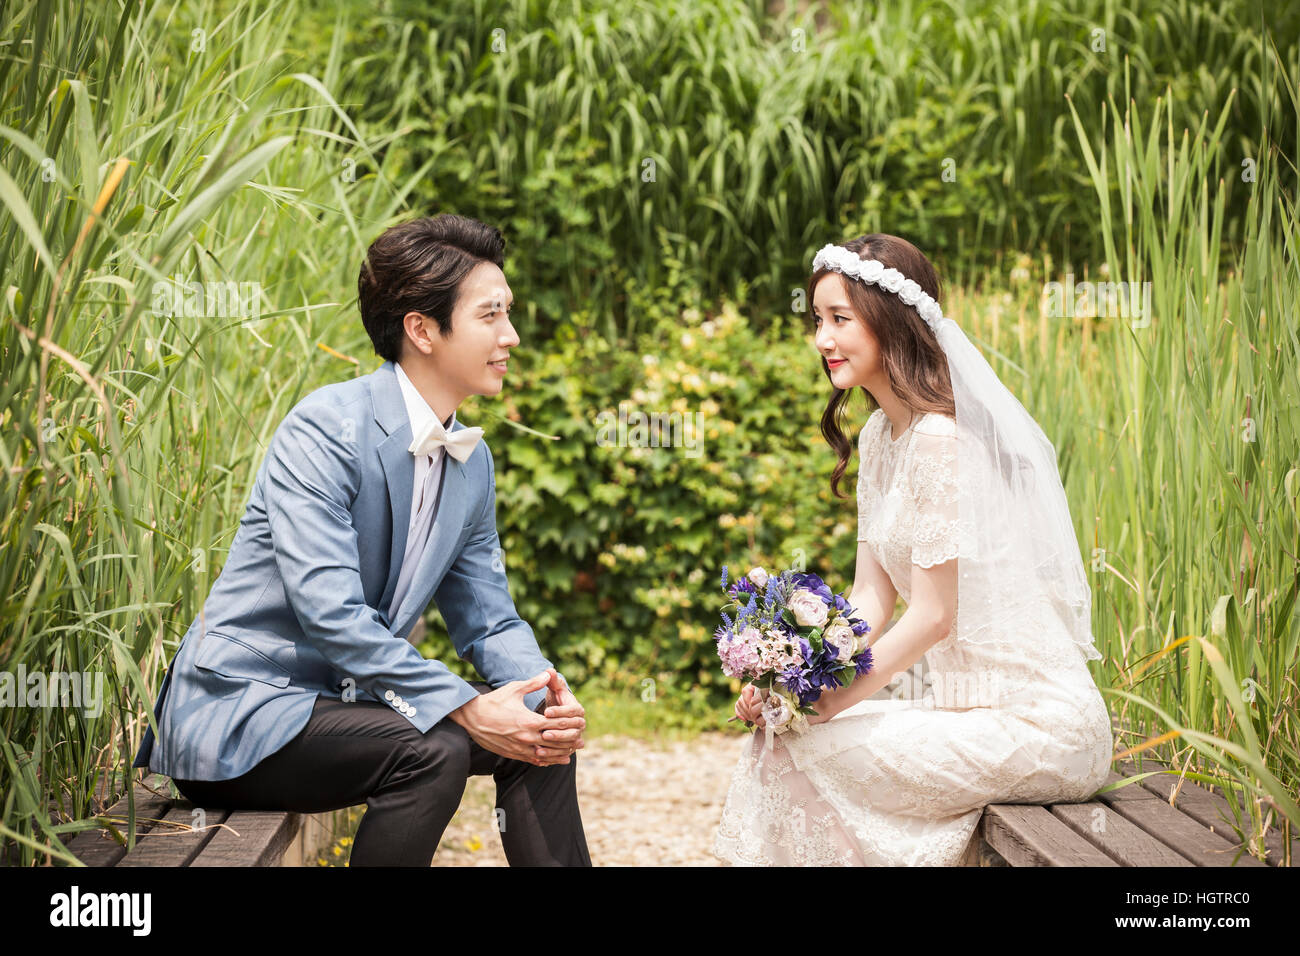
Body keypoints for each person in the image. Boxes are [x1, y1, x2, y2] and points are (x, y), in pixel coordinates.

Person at [133, 213, 592, 866]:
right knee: (436, 747)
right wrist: (462, 706)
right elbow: (331, 614)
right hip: (244, 715)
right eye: (490, 316)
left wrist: (545, 696)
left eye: (508, 314)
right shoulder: (324, 429)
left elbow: (489, 622)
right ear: (421, 329)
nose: (510, 336)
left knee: (538, 736)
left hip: (347, 712)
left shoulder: (473, 461)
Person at [712, 233, 1113, 866]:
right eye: (818, 320)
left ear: (891, 322)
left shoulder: (938, 440)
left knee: (798, 747)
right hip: (960, 711)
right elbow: (871, 598)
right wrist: (791, 683)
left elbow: (932, 615)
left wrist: (830, 699)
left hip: (1036, 722)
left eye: (840, 319)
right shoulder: (880, 436)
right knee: (778, 736)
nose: (823, 340)